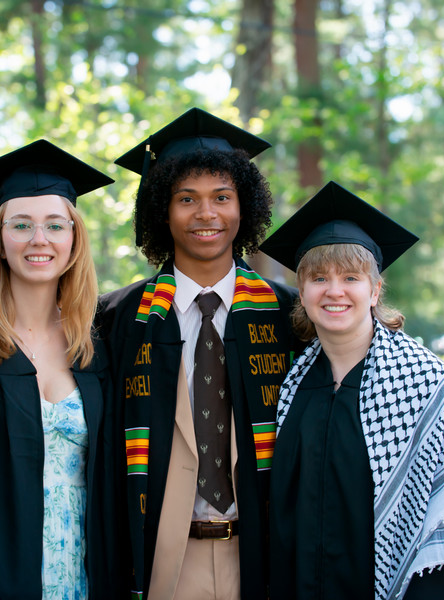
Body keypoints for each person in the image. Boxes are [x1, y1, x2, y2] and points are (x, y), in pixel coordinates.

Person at [259, 181, 444, 600]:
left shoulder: (423, 383)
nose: (334, 290)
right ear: (302, 292)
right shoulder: (293, 385)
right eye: (318, 278)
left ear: (375, 289)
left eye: (351, 277)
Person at [97, 108, 301, 600]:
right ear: (161, 212)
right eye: (186, 198)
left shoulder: (289, 315)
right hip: (163, 560)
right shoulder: (118, 319)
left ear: (243, 208)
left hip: (265, 556)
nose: (206, 214)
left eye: (222, 198)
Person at [0, 139, 119, 599]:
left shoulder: (98, 348)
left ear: (74, 240)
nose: (38, 240)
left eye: (54, 226)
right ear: (0, 241)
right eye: (20, 225)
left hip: (87, 562)